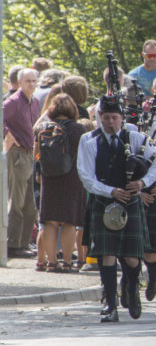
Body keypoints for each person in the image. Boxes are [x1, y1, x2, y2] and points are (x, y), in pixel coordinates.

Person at [77, 95, 156, 322]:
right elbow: (86, 177)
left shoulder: (135, 137)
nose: (111, 122)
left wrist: (143, 183)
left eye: (115, 117)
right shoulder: (89, 140)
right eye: (106, 118)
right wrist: (110, 191)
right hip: (104, 203)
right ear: (99, 118)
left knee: (132, 257)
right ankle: (110, 305)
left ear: (122, 118)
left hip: (130, 202)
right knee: (108, 254)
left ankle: (132, 289)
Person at [35, 94, 86, 272]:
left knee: (50, 221)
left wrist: (39, 174)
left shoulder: (43, 128)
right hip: (72, 178)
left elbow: (37, 155)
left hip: (49, 178)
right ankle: (67, 262)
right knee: (69, 222)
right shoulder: (78, 130)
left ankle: (51, 262)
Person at [4, 68, 40, 257]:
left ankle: (24, 243)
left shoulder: (35, 101)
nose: (32, 85)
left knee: (30, 204)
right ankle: (13, 244)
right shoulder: (13, 102)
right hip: (17, 154)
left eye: (34, 81)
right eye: (28, 81)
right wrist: (8, 135)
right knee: (16, 201)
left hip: (30, 153)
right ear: (19, 82)